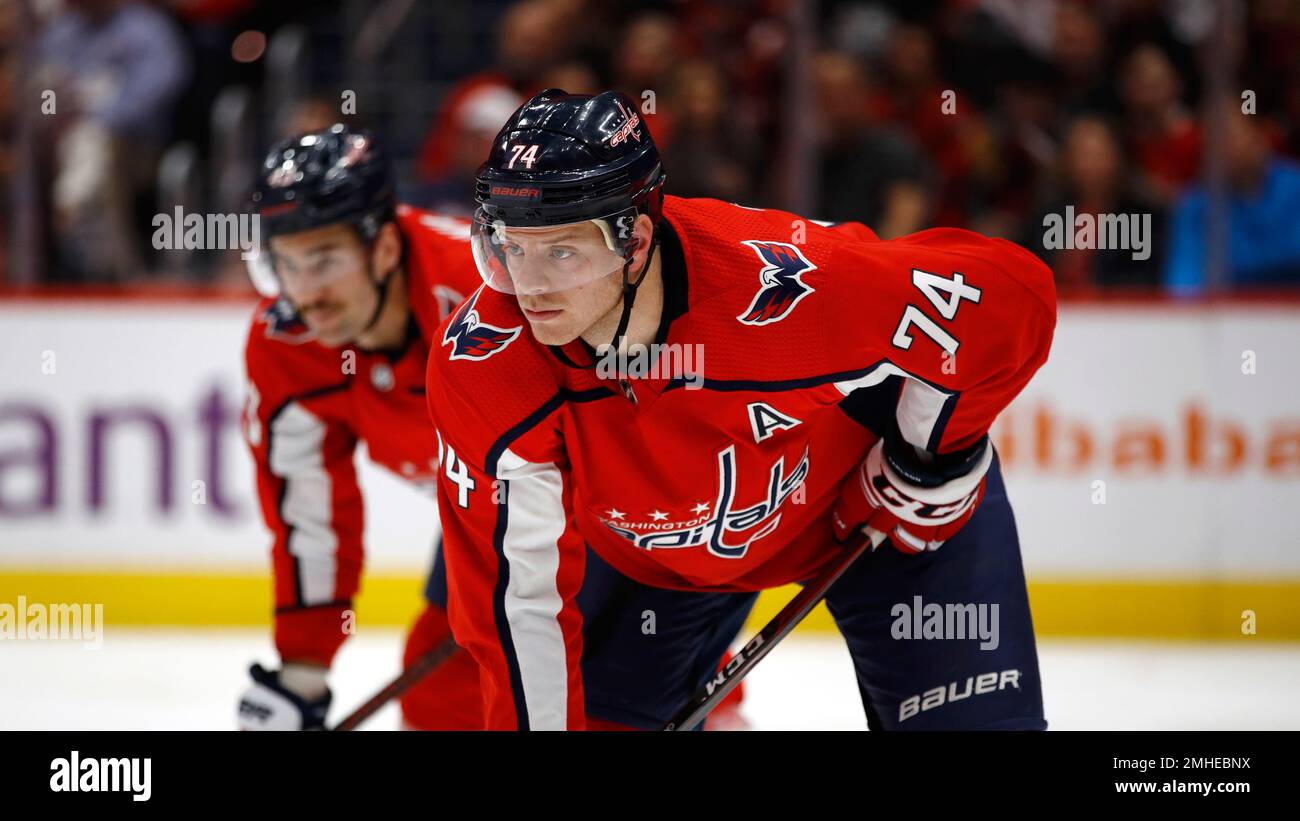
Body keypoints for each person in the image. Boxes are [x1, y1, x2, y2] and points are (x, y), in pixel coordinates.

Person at [426, 89, 1056, 730]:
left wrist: (930, 459)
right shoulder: (485, 362)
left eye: (561, 251)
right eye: (511, 246)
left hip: (879, 521)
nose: (527, 284)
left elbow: (1012, 298)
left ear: (635, 242)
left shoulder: (792, 290)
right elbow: (520, 604)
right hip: (664, 569)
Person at [236, 124, 485, 730]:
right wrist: (302, 676)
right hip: (493, 522)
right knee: (442, 706)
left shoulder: (484, 295)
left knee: (623, 699)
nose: (308, 294)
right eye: (287, 265)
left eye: (325, 259)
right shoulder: (288, 346)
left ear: (385, 249)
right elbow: (309, 513)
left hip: (617, 517)